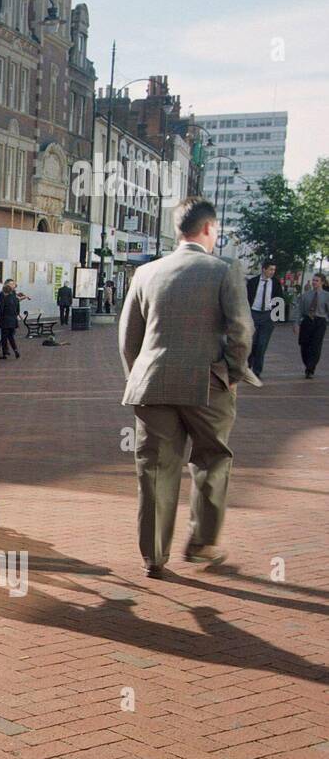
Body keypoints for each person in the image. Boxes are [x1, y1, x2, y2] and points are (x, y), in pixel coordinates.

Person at [119, 199, 256, 578]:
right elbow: (241, 330)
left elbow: (129, 338)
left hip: (152, 384)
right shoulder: (224, 270)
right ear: (209, 229)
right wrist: (233, 373)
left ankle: (154, 557)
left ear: (180, 229)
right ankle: (201, 544)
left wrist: (139, 376)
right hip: (206, 384)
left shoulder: (145, 272)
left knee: (155, 469)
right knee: (213, 459)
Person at [245, 260, 280, 379]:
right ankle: (248, 367)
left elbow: (279, 299)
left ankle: (257, 371)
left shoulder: (275, 283)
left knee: (262, 344)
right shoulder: (253, 282)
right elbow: (246, 298)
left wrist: (275, 318)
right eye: (270, 269)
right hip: (253, 314)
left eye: (274, 270)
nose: (272, 272)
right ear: (264, 269)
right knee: (251, 343)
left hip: (267, 316)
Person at [296, 272, 327, 379]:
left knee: (316, 346)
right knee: (304, 345)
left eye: (317, 281)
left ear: (322, 282)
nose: (314, 282)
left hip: (320, 322)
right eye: (313, 280)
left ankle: (310, 369)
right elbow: (299, 311)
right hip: (307, 321)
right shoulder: (305, 295)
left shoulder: (326, 296)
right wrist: (296, 324)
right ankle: (307, 363)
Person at [0, 280, 24, 359]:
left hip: (5, 320)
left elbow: (0, 310)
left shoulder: (4, 299)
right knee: (11, 336)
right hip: (13, 320)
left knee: (4, 337)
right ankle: (15, 350)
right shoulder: (15, 299)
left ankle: (4, 353)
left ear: (4, 292)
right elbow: (18, 310)